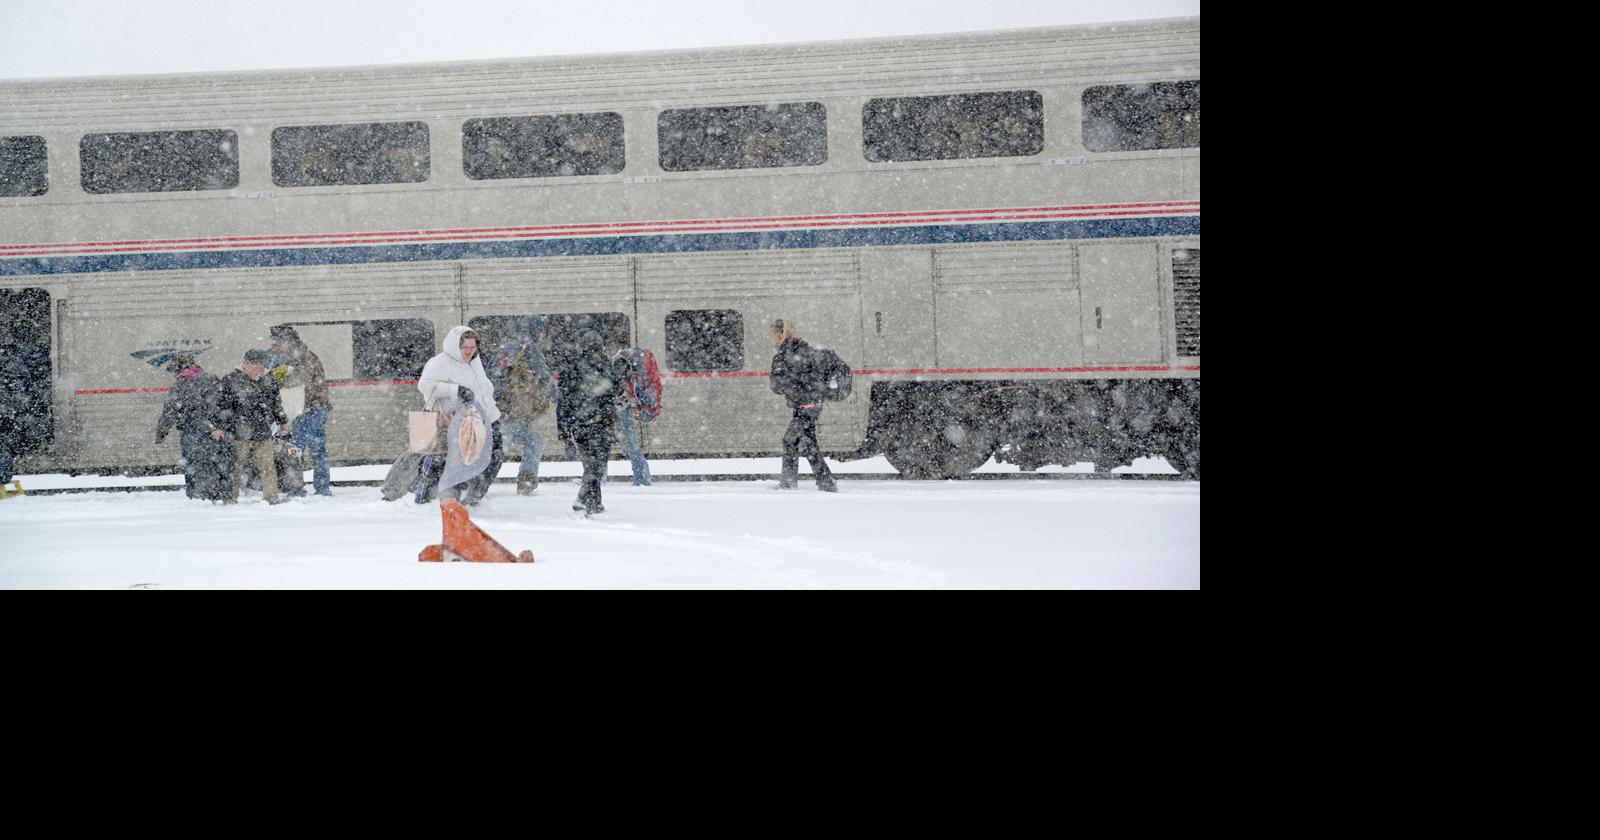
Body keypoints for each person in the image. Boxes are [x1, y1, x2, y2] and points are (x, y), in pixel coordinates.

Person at [418, 326, 502, 505]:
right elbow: (425, 386)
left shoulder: (474, 361)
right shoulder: (439, 363)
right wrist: (456, 390)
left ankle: (473, 498)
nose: (470, 352)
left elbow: (482, 389)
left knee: (494, 458)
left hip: (487, 419)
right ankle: (450, 501)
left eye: (473, 347)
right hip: (460, 422)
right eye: (465, 348)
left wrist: (494, 414)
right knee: (458, 463)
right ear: (454, 347)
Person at [216, 349, 300, 505]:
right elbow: (223, 406)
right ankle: (230, 499)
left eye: (261, 367)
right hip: (239, 433)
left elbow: (276, 403)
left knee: (267, 466)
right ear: (245, 364)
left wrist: (282, 421)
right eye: (255, 367)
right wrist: (221, 427)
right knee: (235, 468)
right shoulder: (231, 380)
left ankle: (271, 498)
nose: (258, 371)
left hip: (262, 432)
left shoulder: (268, 379)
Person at [557, 329, 624, 515]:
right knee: (597, 464)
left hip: (579, 423)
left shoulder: (572, 366)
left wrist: (563, 428)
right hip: (601, 423)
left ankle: (594, 502)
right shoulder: (605, 365)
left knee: (590, 463)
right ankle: (583, 498)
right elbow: (615, 389)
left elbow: (563, 399)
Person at [490, 316, 557, 496]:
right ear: (536, 330)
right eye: (542, 331)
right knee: (532, 443)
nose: (543, 335)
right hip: (514, 409)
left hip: (497, 409)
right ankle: (526, 480)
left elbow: (490, 375)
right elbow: (544, 377)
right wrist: (557, 397)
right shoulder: (531, 349)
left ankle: (477, 481)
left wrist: (494, 401)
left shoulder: (503, 349)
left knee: (496, 448)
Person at [769, 319, 837, 492]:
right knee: (802, 442)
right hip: (811, 403)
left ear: (779, 334)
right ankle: (821, 482)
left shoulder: (786, 354)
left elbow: (777, 385)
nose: (772, 339)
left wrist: (784, 384)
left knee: (796, 442)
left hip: (804, 404)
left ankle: (815, 482)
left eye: (773, 335)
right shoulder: (802, 348)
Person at [155, 352, 231, 501]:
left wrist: (161, 432)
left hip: (191, 432)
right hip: (213, 432)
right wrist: (220, 426)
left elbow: (170, 412)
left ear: (177, 369)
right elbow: (224, 404)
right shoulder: (211, 379)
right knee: (214, 463)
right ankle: (217, 494)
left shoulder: (179, 385)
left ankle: (195, 496)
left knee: (192, 465)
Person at [270, 325, 333, 496]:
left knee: (295, 448)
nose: (276, 345)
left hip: (309, 409)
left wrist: (278, 379)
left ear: (288, 341)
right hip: (316, 408)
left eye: (278, 341)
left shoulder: (303, 357)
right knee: (318, 450)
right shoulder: (299, 356)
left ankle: (297, 489)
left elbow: (298, 380)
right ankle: (322, 488)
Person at [609, 340, 653, 487]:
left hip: (622, 408)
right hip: (624, 407)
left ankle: (642, 478)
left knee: (630, 444)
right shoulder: (623, 360)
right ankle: (641, 477)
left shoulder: (619, 361)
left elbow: (618, 386)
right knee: (629, 444)